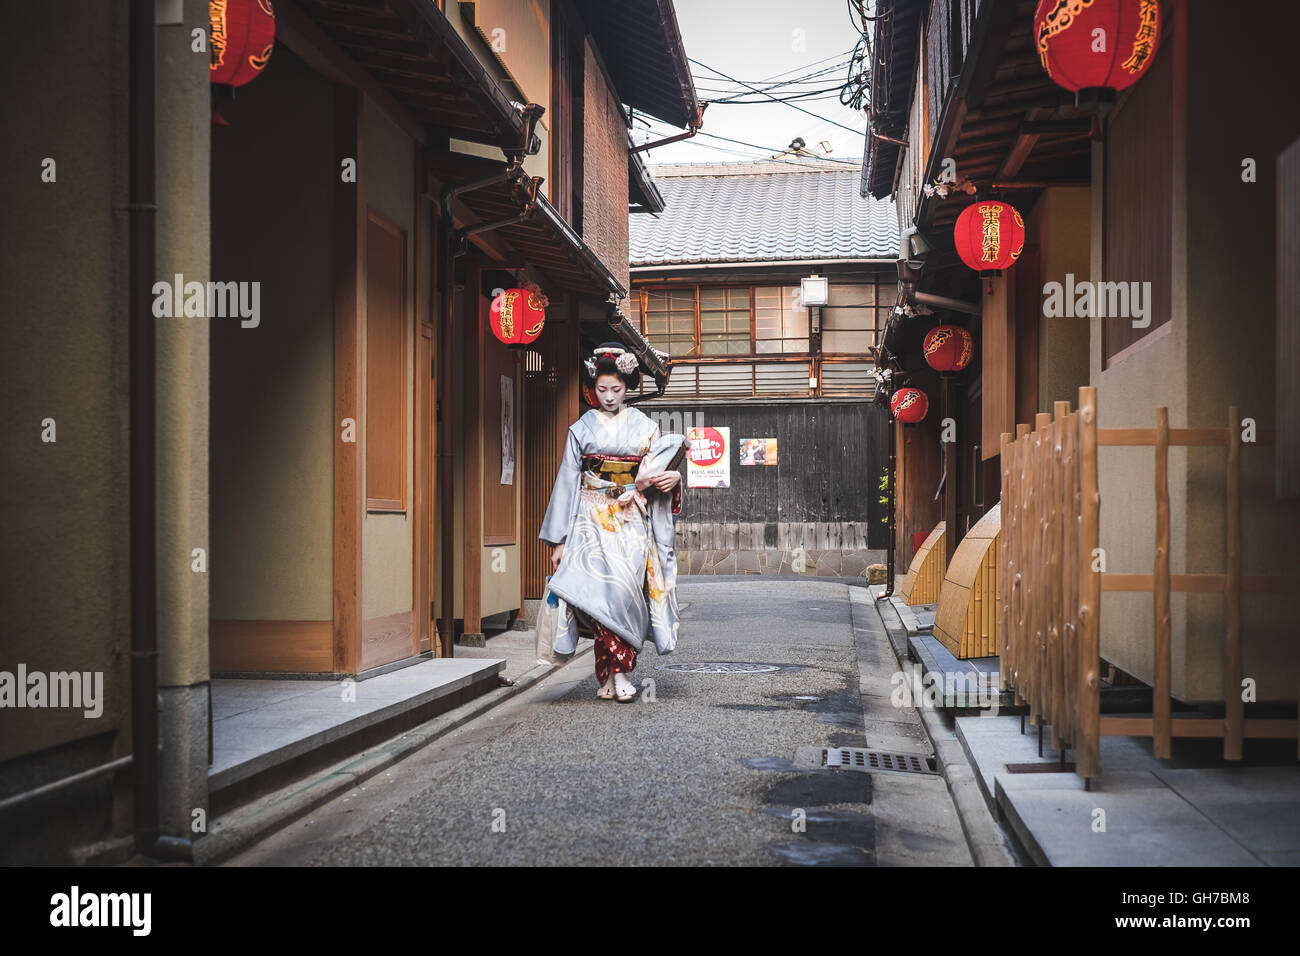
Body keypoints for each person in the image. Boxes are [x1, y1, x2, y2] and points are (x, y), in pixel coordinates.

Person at [539, 343, 685, 702]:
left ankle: (617, 673)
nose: (608, 397)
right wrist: (559, 541)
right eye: (601, 389)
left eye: (616, 390)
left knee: (623, 594)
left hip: (630, 517)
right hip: (589, 517)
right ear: (593, 387)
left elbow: (657, 475)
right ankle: (612, 675)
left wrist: (674, 480)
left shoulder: (645, 427)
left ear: (628, 386)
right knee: (596, 598)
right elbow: (566, 483)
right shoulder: (581, 428)